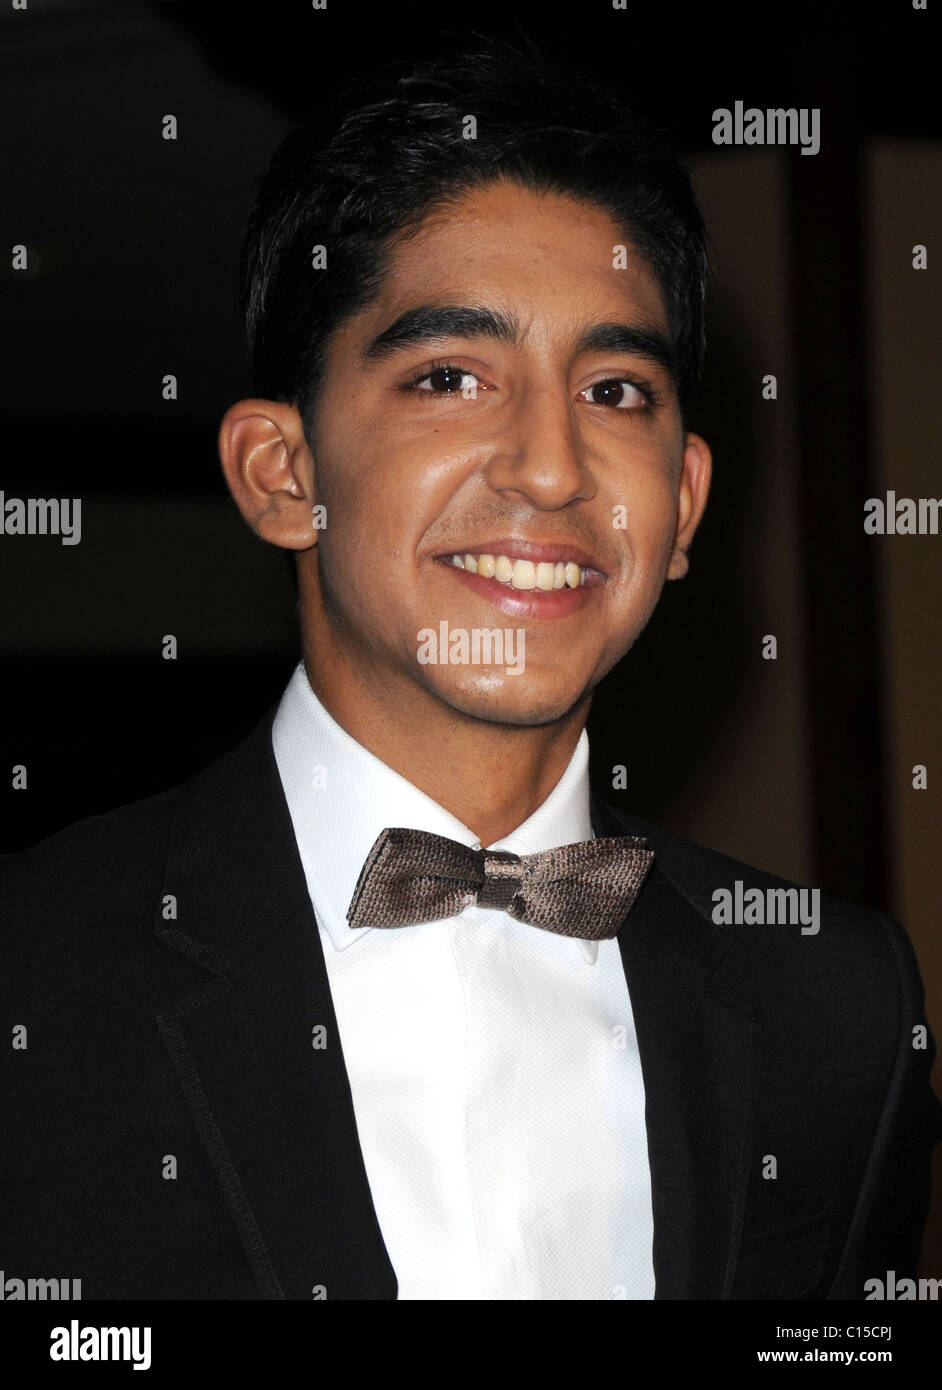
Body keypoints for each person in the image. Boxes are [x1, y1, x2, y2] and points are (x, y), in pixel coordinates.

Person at [2, 38, 939, 1301]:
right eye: (451, 376)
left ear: (683, 505)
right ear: (285, 475)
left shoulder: (841, 1011)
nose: (551, 468)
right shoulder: (39, 975)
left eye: (615, 390)